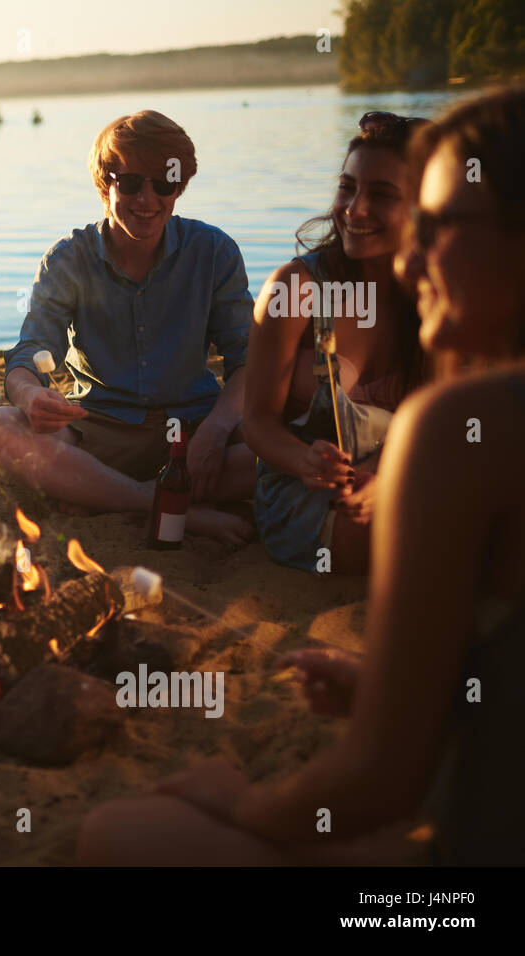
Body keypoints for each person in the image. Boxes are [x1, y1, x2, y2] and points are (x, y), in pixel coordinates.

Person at [76, 86, 525, 866]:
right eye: (351, 190)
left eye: (437, 222)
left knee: (115, 834)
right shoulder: (313, 294)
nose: (411, 251)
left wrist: (242, 801)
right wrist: (427, 692)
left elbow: (379, 780)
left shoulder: (463, 430)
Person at [0, 110, 255, 543]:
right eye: (130, 183)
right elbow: (30, 348)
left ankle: (104, 493)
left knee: (281, 444)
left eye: (164, 184)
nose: (147, 199)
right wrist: (30, 394)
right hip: (99, 429)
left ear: (179, 189)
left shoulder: (214, 251)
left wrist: (216, 431)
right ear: (105, 185)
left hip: (195, 430)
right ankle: (162, 502)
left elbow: (246, 360)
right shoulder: (69, 258)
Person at [244, 115, 428, 575]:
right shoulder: (297, 288)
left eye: (382, 195)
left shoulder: (435, 295)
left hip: (408, 474)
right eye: (347, 187)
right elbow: (257, 422)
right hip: (308, 494)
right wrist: (303, 459)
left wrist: (386, 476)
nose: (354, 209)